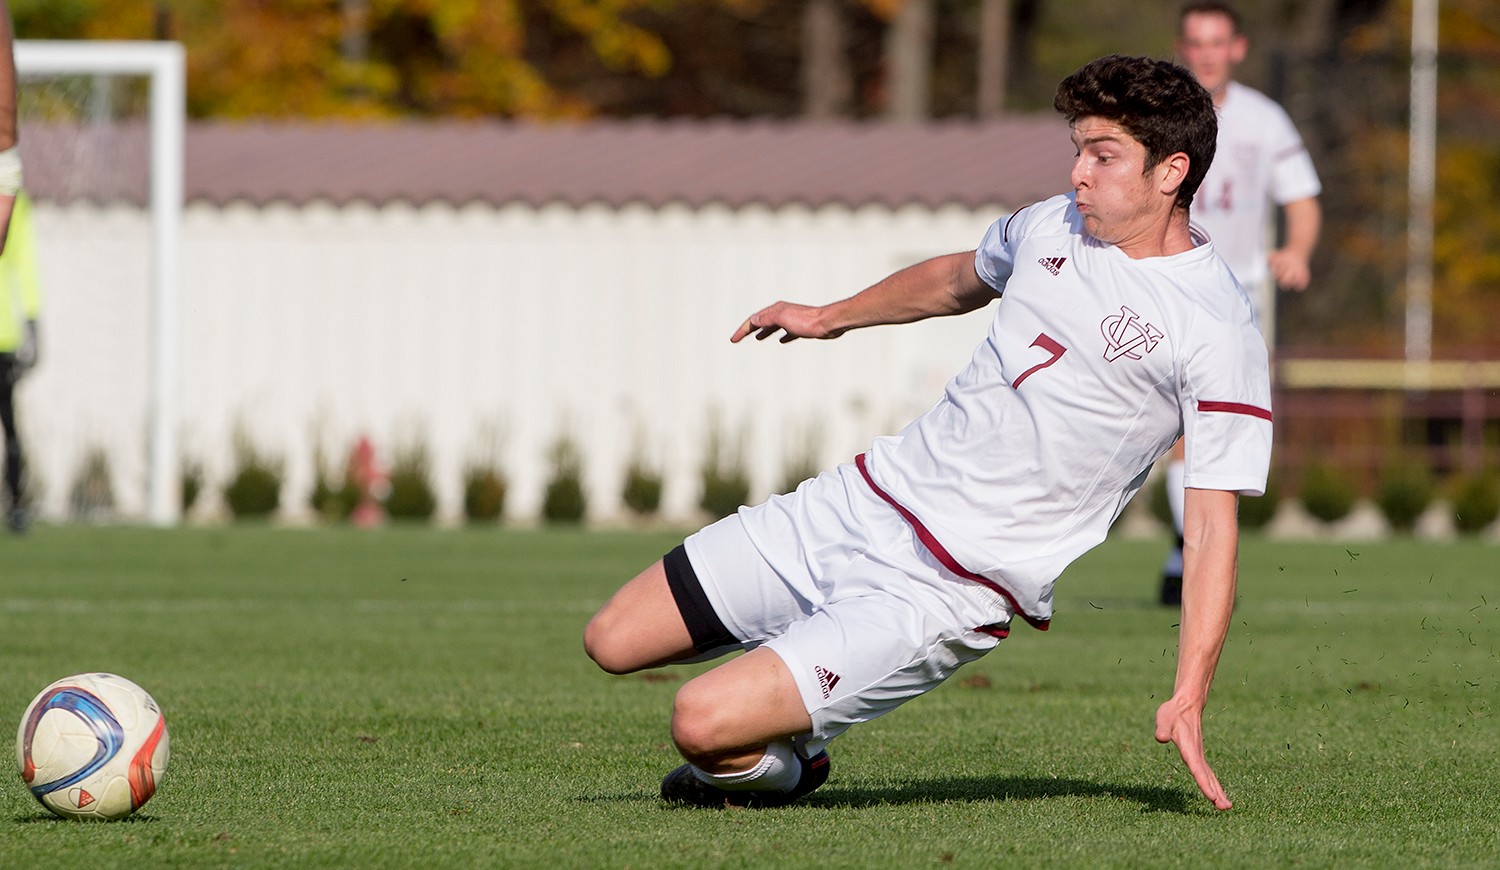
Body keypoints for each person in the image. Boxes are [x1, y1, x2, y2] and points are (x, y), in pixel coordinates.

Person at [585, 54, 1271, 813]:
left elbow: (1210, 528)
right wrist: (826, 316)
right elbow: (955, 279)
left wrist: (1189, 692)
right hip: (860, 503)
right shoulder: (1052, 222)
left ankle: (792, 764)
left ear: (1172, 170)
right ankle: (785, 704)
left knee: (700, 722)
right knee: (612, 640)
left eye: (1103, 156)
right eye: (1077, 149)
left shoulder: (1217, 328)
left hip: (945, 588)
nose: (1079, 172)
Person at [1156, 0, 1321, 605]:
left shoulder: (1264, 119)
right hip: (1166, 285)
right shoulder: (1159, 116)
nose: (1206, 53)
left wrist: (1297, 250)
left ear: (1237, 49)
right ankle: (1185, 547)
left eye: (1217, 42)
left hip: (1236, 294)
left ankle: (1186, 554)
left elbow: (1302, 199)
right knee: (1172, 427)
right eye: (1196, 42)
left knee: (1212, 427)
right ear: (1183, 46)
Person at [0, 189, 37, 532]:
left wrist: (32, 323)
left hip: (4, 335)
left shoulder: (16, 203)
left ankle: (15, 504)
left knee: (10, 426)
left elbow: (24, 265)